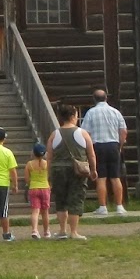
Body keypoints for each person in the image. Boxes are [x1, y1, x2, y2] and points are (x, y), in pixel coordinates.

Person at [46, 103, 97, 241]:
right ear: (74, 116)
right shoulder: (83, 133)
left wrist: (48, 174)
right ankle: (74, 232)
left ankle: (62, 230)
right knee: (75, 198)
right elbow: (91, 154)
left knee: (61, 199)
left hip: (58, 169)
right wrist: (93, 169)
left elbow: (49, 157)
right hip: (77, 170)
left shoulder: (54, 134)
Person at [82, 88, 129, 216]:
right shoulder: (115, 112)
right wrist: (120, 145)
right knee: (115, 177)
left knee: (101, 178)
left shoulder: (91, 113)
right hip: (113, 145)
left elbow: (85, 132)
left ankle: (103, 207)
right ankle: (119, 206)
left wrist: (88, 148)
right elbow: (123, 131)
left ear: (94, 99)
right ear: (106, 98)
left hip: (98, 146)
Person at [24, 142, 51, 239]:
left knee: (35, 211)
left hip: (33, 188)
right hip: (45, 188)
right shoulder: (47, 164)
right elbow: (49, 176)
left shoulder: (29, 164)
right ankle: (46, 231)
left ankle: (34, 230)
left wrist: (30, 183)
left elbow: (27, 179)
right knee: (45, 212)